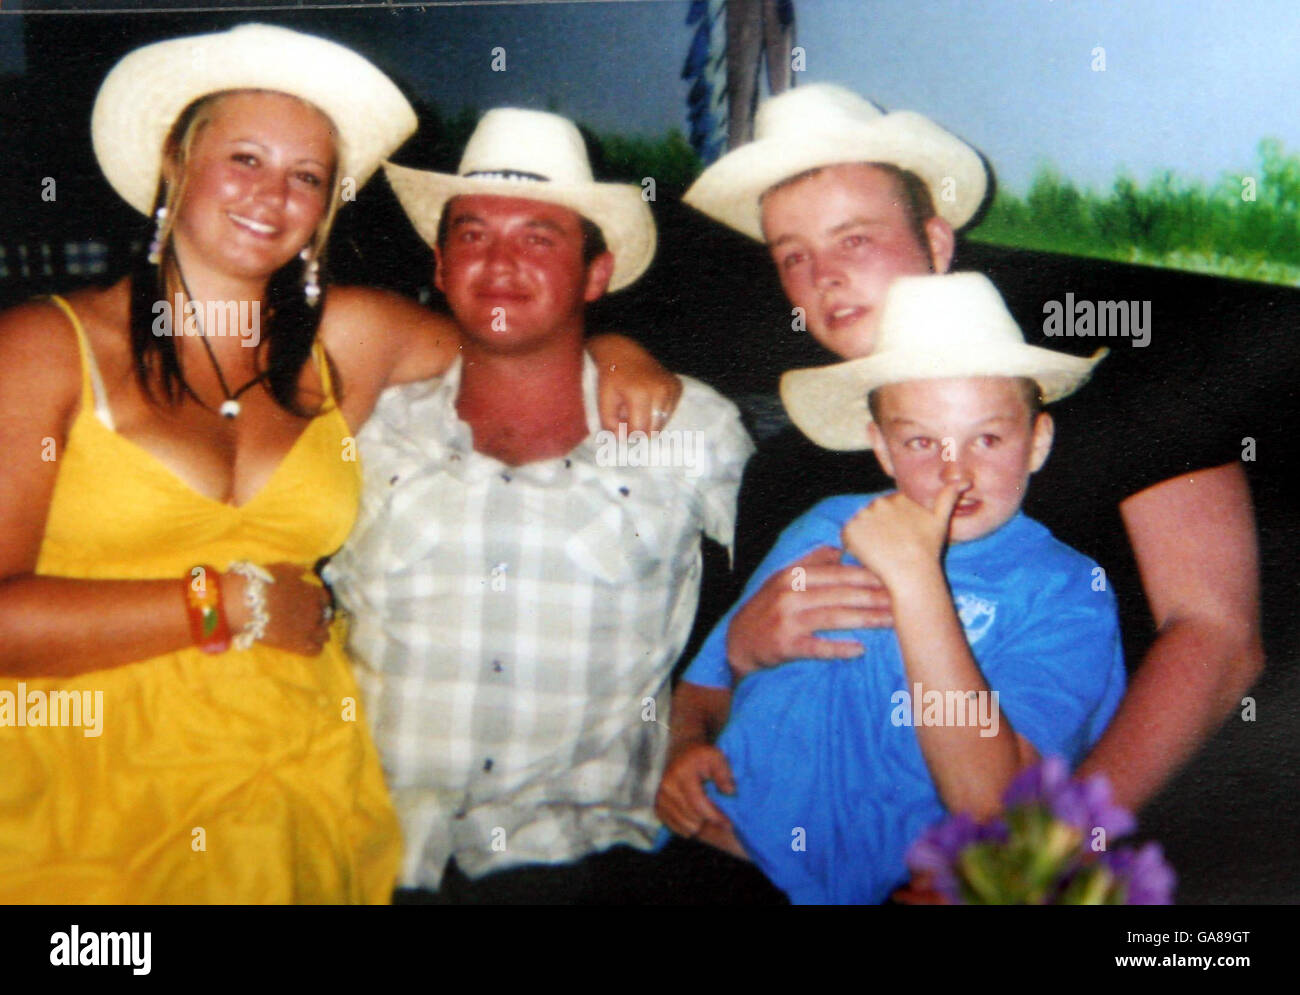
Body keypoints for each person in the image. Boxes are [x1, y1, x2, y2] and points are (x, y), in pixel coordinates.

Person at [0, 23, 678, 904]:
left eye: (306, 177)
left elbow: (521, 342)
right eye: (244, 158)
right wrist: (229, 601)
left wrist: (621, 349)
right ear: (177, 164)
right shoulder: (44, 347)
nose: (272, 195)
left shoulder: (349, 339)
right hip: (77, 764)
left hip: (296, 770)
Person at [657, 83, 1262, 855]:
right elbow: (718, 687)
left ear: (937, 242)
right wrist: (710, 698)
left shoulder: (1109, 378)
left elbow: (1217, 636)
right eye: (794, 257)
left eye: (854, 239)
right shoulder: (786, 467)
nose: (825, 278)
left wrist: (1052, 851)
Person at [326, 107, 754, 903]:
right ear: (441, 265)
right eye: (473, 235)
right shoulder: (366, 418)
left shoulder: (694, 429)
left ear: (596, 274)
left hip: (584, 856)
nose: (498, 263)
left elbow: (781, 582)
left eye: (539, 238)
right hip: (360, 842)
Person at [675, 272, 1124, 903]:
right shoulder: (826, 526)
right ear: (881, 449)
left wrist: (916, 578)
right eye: (919, 441)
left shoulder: (1069, 592)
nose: (953, 471)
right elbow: (703, 685)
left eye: (987, 438)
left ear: (1037, 442)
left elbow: (990, 809)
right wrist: (682, 749)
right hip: (719, 845)